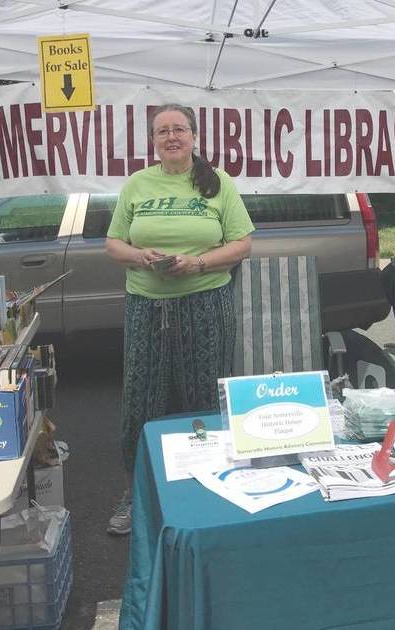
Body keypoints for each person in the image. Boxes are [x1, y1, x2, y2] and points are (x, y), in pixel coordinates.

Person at [103, 104, 254, 535]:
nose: (171, 137)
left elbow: (242, 245)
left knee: (202, 395)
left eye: (179, 130)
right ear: (153, 141)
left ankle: (206, 487)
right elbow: (113, 244)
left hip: (205, 303)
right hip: (146, 306)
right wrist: (139, 255)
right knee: (142, 400)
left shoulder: (218, 182)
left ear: (193, 136)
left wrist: (199, 262)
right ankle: (138, 495)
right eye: (162, 132)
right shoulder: (137, 184)